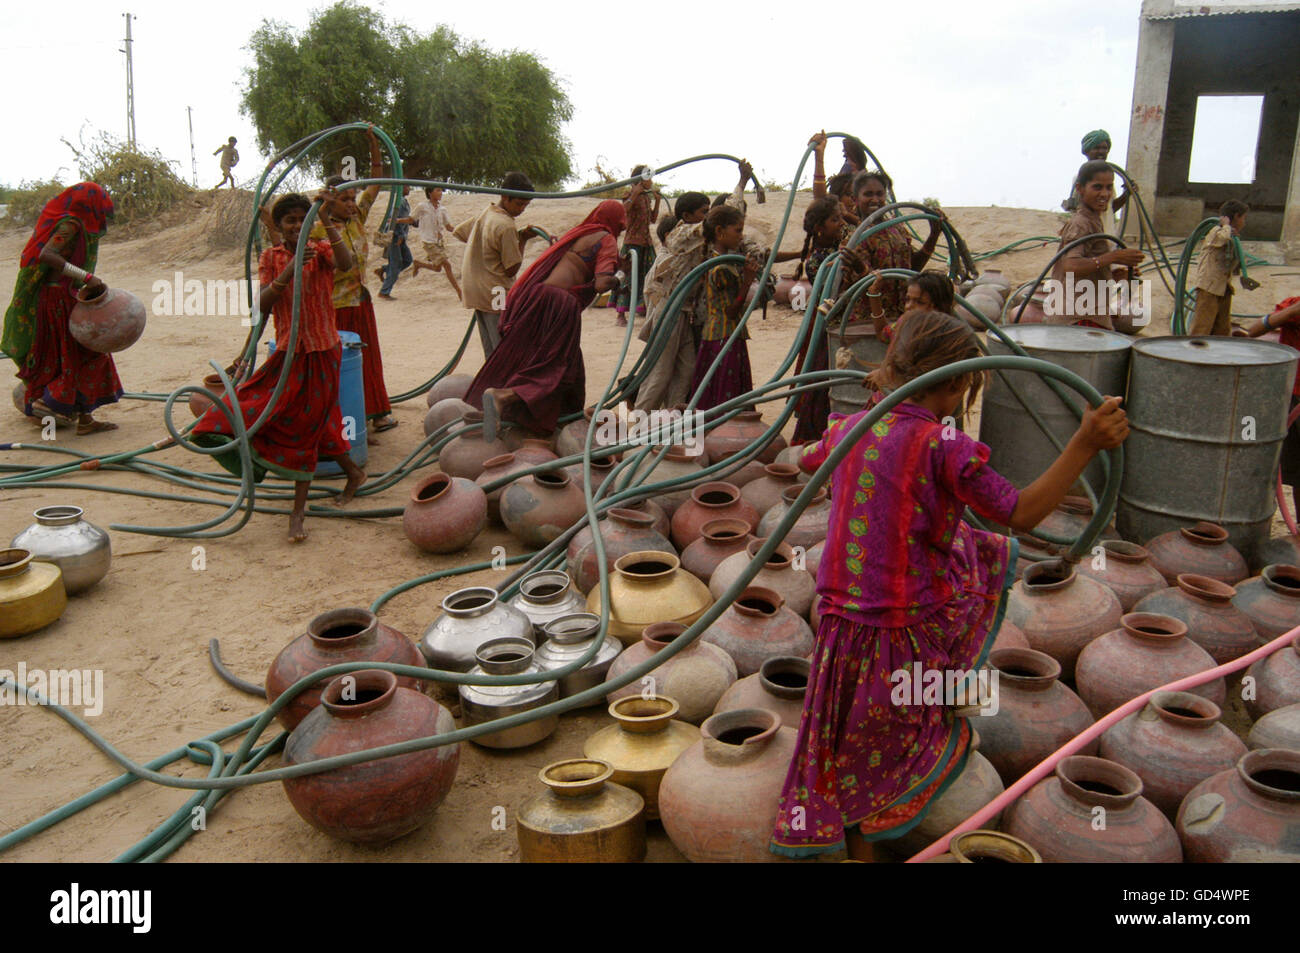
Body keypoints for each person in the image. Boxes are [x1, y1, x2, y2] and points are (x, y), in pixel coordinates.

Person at [768, 310, 1130, 859]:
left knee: (850, 738)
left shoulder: (849, 429)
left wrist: (847, 429)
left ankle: (855, 844)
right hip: (897, 627)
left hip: (840, 625)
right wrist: (1084, 443)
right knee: (890, 742)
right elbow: (1021, 512)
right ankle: (868, 841)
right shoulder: (945, 445)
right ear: (962, 382)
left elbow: (804, 461)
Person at [192, 193, 366, 543]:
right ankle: (353, 474)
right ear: (280, 226)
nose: (297, 226)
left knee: (305, 425)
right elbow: (263, 302)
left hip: (322, 351)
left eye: (303, 219)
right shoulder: (271, 256)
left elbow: (347, 263)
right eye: (290, 221)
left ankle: (297, 513)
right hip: (288, 353)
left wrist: (328, 222)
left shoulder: (322, 249)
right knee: (263, 407)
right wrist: (292, 267)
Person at [467, 200, 625, 439]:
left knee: (548, 360)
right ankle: (503, 396)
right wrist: (620, 278)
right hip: (561, 304)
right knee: (555, 368)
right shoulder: (607, 239)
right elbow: (602, 283)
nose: (621, 230)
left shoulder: (580, 234)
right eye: (621, 226)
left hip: (537, 297)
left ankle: (550, 420)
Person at [2, 182, 122, 435]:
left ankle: (83, 419)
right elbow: (47, 255)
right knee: (81, 354)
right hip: (57, 301)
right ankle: (44, 406)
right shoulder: (70, 225)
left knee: (75, 356)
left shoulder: (77, 224)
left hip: (67, 297)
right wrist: (86, 277)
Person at [633, 164, 754, 413]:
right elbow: (720, 220)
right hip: (670, 308)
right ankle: (639, 422)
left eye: (709, 212)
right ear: (687, 216)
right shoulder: (682, 235)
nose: (706, 217)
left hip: (682, 311)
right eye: (703, 212)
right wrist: (740, 184)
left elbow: (726, 217)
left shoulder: (704, 239)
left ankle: (670, 421)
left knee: (687, 369)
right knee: (661, 370)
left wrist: (741, 184)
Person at [309, 126, 397, 433]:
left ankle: (377, 414)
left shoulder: (357, 216)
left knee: (368, 360)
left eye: (352, 197)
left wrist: (373, 141)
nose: (350, 203)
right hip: (333, 308)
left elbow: (377, 180)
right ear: (329, 201)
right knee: (341, 367)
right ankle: (344, 423)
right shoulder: (316, 228)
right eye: (344, 199)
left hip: (360, 301)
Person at [1053, 160, 1145, 331]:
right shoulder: (1082, 223)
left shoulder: (1094, 220)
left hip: (1089, 312)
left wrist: (1118, 276)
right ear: (1080, 188)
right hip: (1079, 319)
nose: (1104, 193)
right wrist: (1116, 257)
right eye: (1097, 187)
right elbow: (1071, 266)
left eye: (1109, 187)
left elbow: (1089, 270)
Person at [454, 172, 536, 358]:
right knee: (502, 344)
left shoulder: (487, 212)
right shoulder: (506, 225)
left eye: (526, 205)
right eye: (518, 204)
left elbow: (461, 233)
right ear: (505, 197)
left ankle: (491, 381)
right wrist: (521, 240)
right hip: (495, 292)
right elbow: (511, 269)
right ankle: (501, 382)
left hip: (476, 289)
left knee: (490, 345)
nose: (522, 209)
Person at [687, 205, 758, 410]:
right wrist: (747, 281)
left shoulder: (716, 261)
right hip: (725, 338)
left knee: (713, 390)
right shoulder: (722, 268)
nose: (741, 236)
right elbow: (731, 311)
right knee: (726, 395)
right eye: (737, 230)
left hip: (715, 336)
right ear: (720, 231)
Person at [1245, 296, 1300, 516]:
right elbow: (1254, 330)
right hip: (1290, 396)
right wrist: (1290, 313)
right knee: (1297, 471)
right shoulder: (1293, 306)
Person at [1190, 201, 1249, 337]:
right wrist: (1226, 226)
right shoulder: (1216, 231)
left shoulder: (1232, 237)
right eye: (1243, 218)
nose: (1244, 222)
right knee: (1202, 327)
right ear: (1236, 216)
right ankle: (1194, 354)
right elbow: (1221, 239)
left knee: (1222, 329)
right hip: (1209, 287)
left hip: (1223, 288)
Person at [614, 166, 662, 327]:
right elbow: (623, 211)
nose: (651, 182)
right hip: (632, 242)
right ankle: (620, 314)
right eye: (649, 178)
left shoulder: (647, 197)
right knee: (627, 277)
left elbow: (653, 220)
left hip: (646, 242)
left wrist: (657, 201)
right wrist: (634, 194)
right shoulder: (629, 195)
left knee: (648, 275)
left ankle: (642, 307)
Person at [1061, 130, 1129, 237]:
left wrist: (1127, 194)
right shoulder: (1080, 178)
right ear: (1087, 151)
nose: (1101, 152)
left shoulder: (1107, 178)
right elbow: (1083, 210)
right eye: (1096, 148)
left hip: (1108, 236)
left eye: (1104, 148)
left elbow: (1109, 208)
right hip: (1090, 236)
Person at [409, 185, 461, 300]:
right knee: (447, 265)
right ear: (430, 193)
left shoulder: (442, 209)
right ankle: (459, 291)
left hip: (438, 242)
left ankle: (419, 264)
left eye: (441, 190)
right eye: (438, 190)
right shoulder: (422, 206)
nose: (441, 192)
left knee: (438, 268)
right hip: (428, 242)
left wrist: (462, 231)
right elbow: (411, 219)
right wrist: (396, 221)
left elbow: (448, 227)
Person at [376, 185, 413, 300]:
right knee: (396, 264)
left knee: (407, 260)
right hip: (396, 236)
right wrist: (400, 235)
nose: (409, 189)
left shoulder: (404, 202)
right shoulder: (399, 203)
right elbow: (394, 220)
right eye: (407, 187)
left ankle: (385, 269)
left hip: (401, 236)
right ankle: (384, 291)